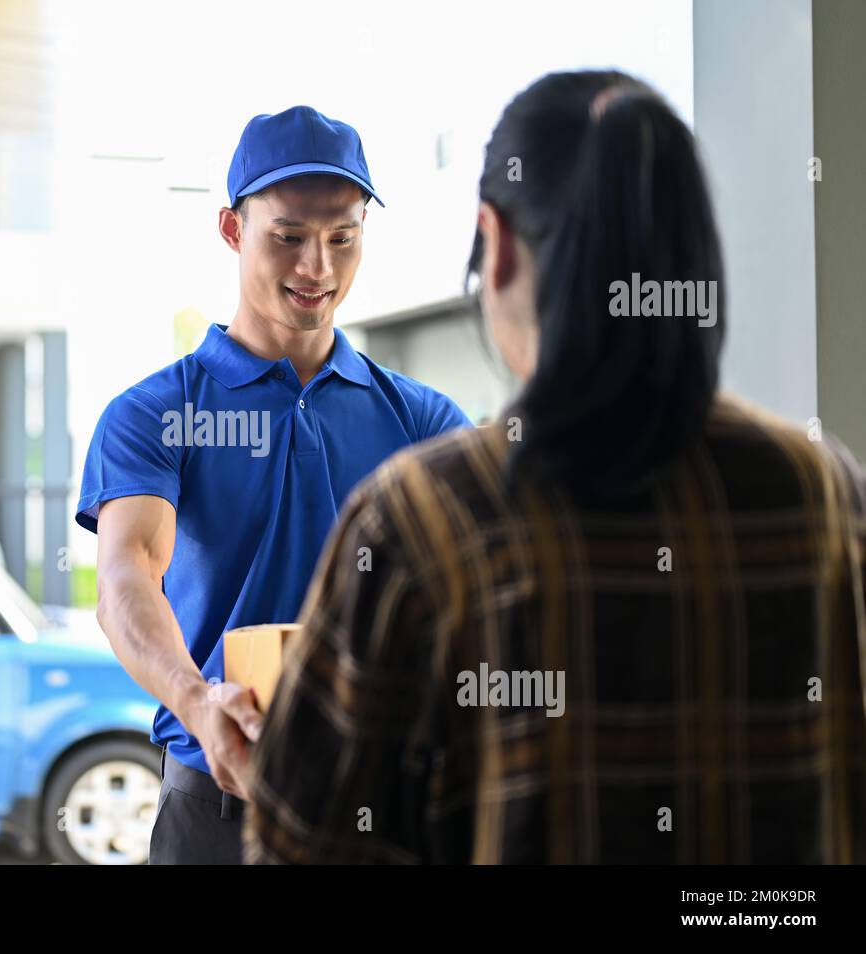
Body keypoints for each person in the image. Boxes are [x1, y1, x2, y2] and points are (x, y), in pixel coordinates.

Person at [243, 70, 866, 864]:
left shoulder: (426, 518)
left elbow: (300, 843)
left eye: (342, 236)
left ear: (496, 242)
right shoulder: (825, 493)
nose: (317, 265)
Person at [77, 105, 472, 864]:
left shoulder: (423, 421)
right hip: (217, 811)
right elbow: (128, 575)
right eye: (289, 237)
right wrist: (198, 700)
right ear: (233, 229)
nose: (317, 268)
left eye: (342, 238)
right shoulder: (157, 413)